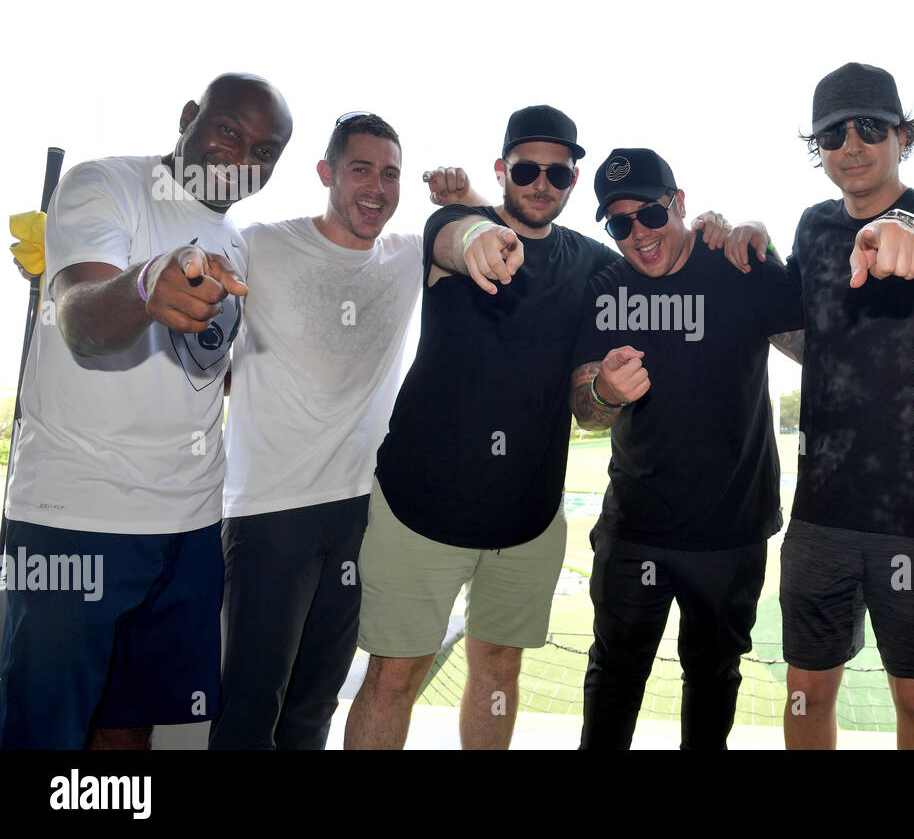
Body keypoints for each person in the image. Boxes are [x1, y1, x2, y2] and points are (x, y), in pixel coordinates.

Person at [0, 73, 293, 749]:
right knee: (44, 734)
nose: (240, 158)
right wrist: (143, 286)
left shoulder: (235, 241)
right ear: (189, 117)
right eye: (228, 131)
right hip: (77, 520)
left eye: (264, 151)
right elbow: (80, 318)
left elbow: (200, 373)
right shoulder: (105, 185)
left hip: (187, 527)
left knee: (130, 731)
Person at [725, 63, 914, 749]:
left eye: (870, 127)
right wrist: (755, 235)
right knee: (807, 692)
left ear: (903, 136)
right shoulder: (814, 226)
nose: (852, 145)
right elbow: (806, 333)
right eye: (833, 134)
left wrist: (908, 229)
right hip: (822, 511)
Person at [343, 105, 620, 750]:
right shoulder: (453, 225)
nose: (541, 183)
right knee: (394, 676)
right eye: (525, 170)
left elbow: (659, 258)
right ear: (502, 170)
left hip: (528, 518)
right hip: (420, 506)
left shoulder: (589, 262)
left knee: (498, 668)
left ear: (573, 180)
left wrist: (730, 232)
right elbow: (455, 236)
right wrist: (476, 235)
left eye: (558, 173)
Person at [209, 112, 432, 749]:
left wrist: (462, 192)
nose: (377, 187)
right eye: (361, 169)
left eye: (390, 174)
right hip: (269, 512)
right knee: (251, 705)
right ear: (326, 173)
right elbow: (198, 328)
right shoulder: (259, 244)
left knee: (314, 706)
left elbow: (477, 229)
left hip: (360, 513)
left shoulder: (407, 256)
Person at [568, 148, 803, 749]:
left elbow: (815, 349)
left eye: (649, 214)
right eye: (619, 224)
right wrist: (603, 391)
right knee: (615, 676)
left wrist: (768, 244)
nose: (638, 234)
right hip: (635, 531)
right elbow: (585, 409)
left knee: (713, 677)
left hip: (730, 533)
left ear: (677, 203)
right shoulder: (607, 286)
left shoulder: (739, 265)